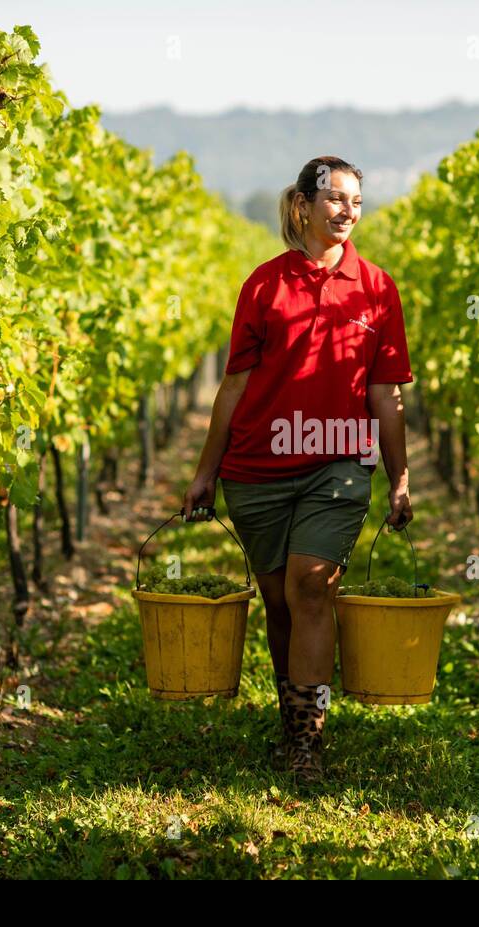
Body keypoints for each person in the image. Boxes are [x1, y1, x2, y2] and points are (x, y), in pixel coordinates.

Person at [182, 156, 414, 784]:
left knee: (312, 587)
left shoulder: (377, 288)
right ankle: (292, 719)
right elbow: (233, 386)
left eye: (357, 202)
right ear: (305, 205)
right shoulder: (263, 285)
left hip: (339, 462)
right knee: (281, 605)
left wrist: (398, 475)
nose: (347, 211)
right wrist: (206, 471)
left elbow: (386, 395)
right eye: (337, 199)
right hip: (256, 467)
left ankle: (307, 742)